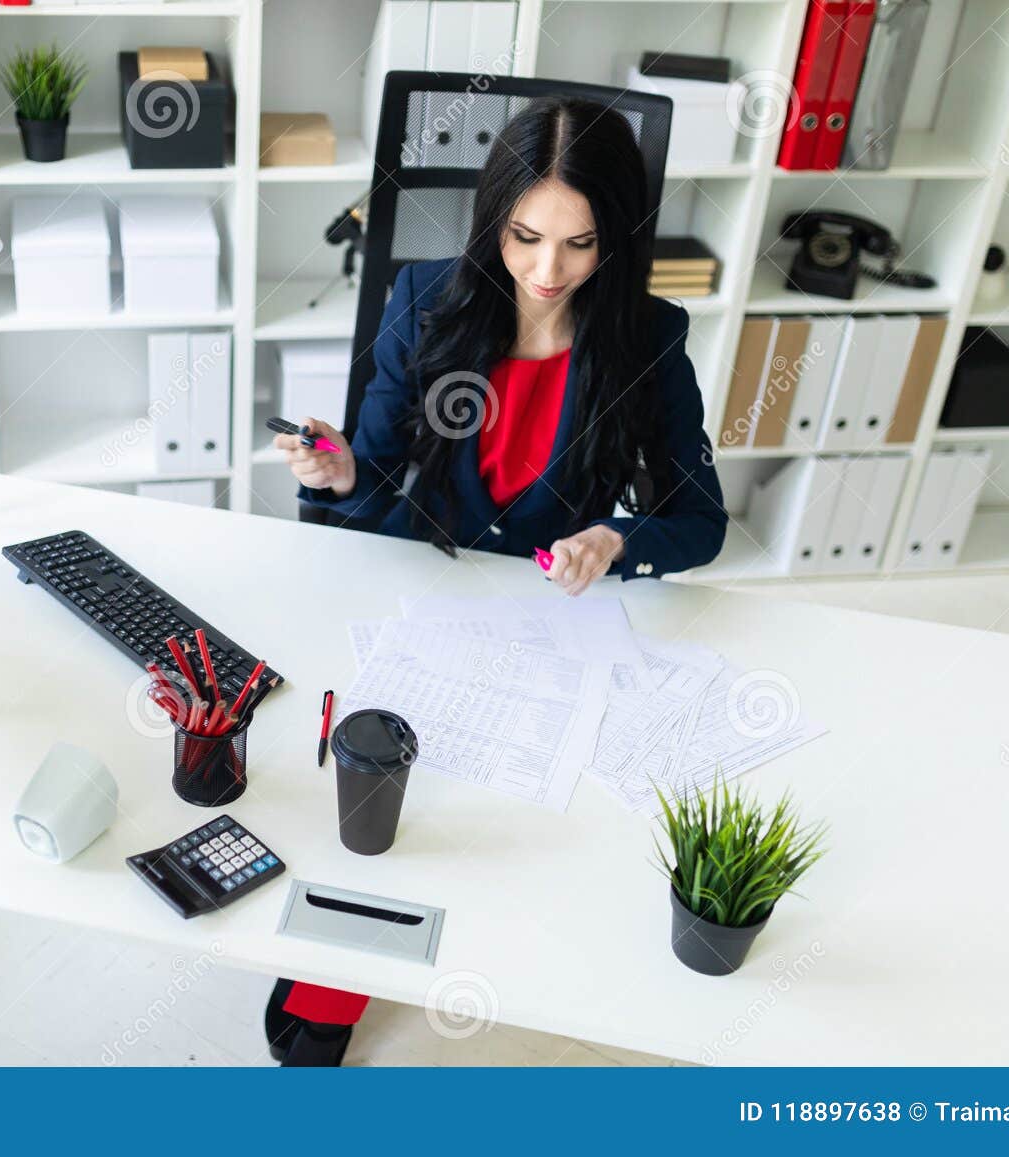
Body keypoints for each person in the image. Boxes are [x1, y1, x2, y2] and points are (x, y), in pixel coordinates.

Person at [265, 97, 729, 1065]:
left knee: (510, 807)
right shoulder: (426, 299)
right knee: (378, 783)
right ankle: (342, 964)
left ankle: (456, 949)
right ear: (494, 220)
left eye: (578, 243)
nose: (548, 269)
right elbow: (374, 467)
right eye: (525, 237)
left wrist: (617, 538)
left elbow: (700, 521)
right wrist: (339, 472)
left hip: (549, 615)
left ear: (614, 237)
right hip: (426, 587)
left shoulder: (647, 336)